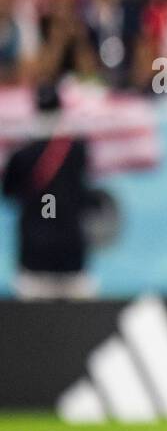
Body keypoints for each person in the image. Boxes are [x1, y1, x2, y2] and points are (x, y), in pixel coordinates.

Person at [1, 84, 96, 299]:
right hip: (69, 250)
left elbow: (9, 193)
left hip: (35, 252)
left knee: (34, 325)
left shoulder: (22, 156)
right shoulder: (76, 150)